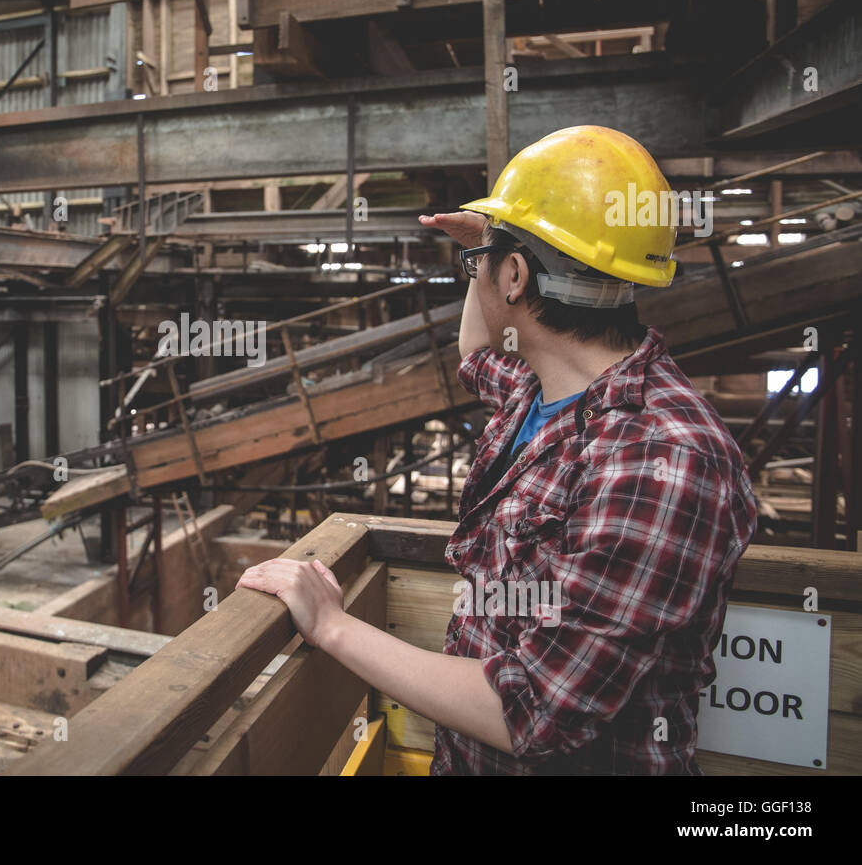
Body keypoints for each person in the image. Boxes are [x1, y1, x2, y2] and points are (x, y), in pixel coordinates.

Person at [238, 126, 758, 774]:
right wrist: (486, 248)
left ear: (514, 277)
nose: (474, 277)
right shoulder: (540, 392)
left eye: (481, 267)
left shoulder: (659, 459)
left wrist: (331, 625)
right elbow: (477, 352)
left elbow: (534, 712)